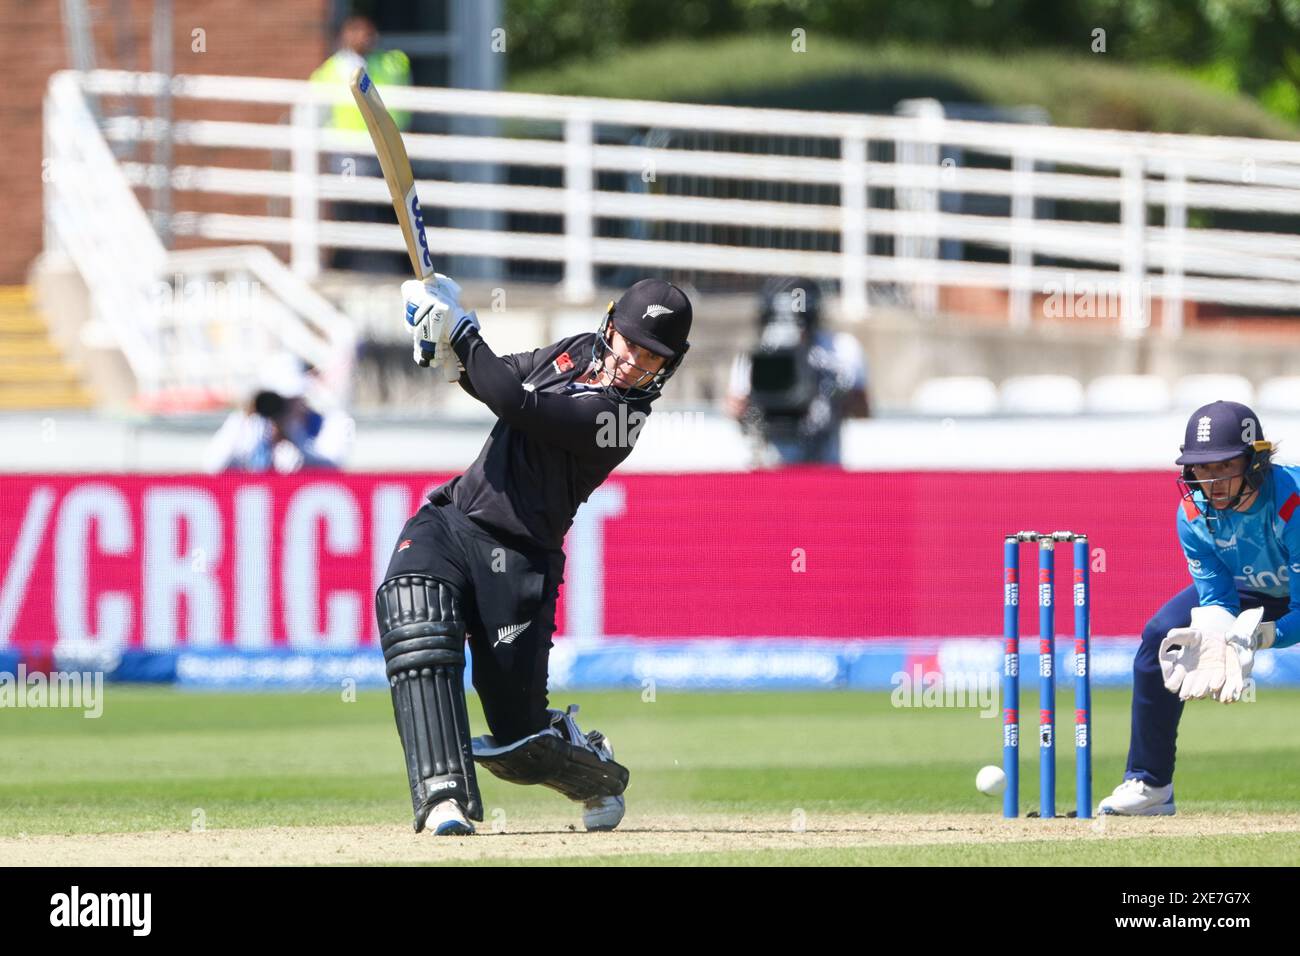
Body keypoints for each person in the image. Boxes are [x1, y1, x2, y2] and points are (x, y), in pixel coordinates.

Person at [376, 274, 691, 835]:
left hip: (519, 561)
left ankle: (592, 770)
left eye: (652, 359)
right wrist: (447, 347)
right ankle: (443, 796)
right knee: (413, 609)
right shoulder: (573, 351)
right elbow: (498, 379)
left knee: (519, 742)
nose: (634, 364)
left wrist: (463, 330)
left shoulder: (620, 420)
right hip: (453, 520)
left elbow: (517, 404)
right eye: (630, 344)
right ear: (610, 324)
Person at [1098, 400, 1300, 815]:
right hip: (1251, 590)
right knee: (1160, 636)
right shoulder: (1192, 513)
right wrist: (1218, 629)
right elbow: (1217, 600)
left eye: (1225, 465)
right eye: (1202, 469)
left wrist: (1266, 636)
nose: (1213, 481)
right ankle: (1151, 785)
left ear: (1255, 462)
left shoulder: (1291, 506)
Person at [725, 276, 869, 467]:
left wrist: (831, 387)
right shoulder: (756, 356)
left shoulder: (841, 350)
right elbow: (734, 407)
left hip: (824, 464)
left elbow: (863, 411)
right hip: (771, 464)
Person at [309, 15, 412, 273]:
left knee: (389, 210)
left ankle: (390, 267)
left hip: (384, 150)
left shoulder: (388, 63)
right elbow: (314, 114)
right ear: (344, 35)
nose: (365, 37)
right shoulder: (332, 71)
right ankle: (348, 266)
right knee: (352, 211)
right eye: (357, 31)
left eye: (368, 31)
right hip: (348, 153)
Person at [204, 355, 353, 473]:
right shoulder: (251, 427)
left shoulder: (329, 424)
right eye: (279, 399)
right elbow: (214, 466)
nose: (285, 406)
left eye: (291, 398)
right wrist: (244, 416)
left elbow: (332, 468)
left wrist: (293, 435)